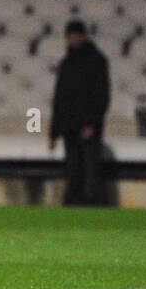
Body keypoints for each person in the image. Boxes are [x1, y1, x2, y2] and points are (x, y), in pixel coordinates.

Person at [48, 20, 111, 206]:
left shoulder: (97, 61)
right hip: (70, 126)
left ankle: (94, 206)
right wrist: (54, 132)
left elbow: (101, 95)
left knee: (90, 169)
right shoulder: (67, 63)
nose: (73, 39)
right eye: (70, 36)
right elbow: (59, 98)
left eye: (76, 35)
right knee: (73, 169)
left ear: (83, 36)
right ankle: (74, 206)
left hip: (88, 126)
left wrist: (92, 123)